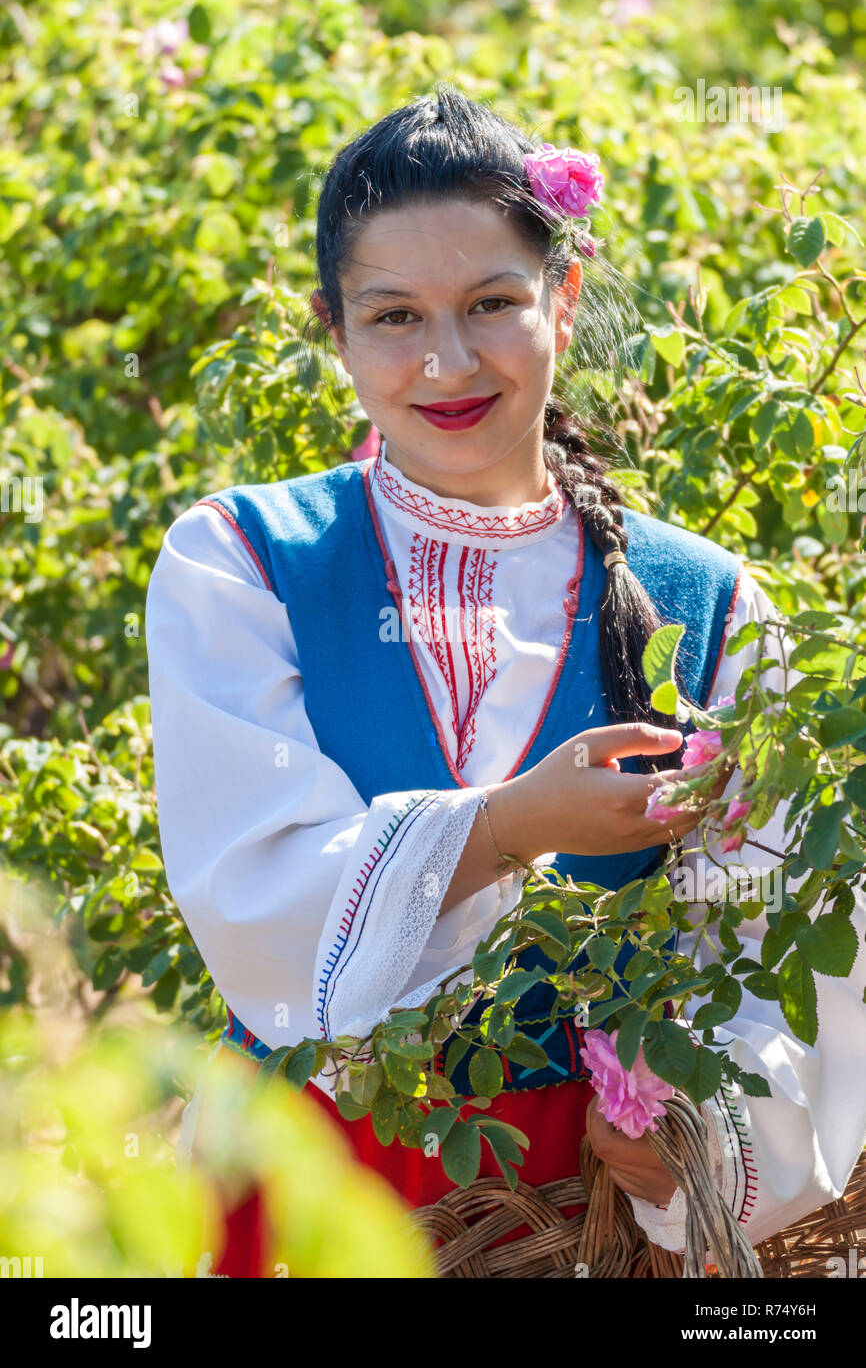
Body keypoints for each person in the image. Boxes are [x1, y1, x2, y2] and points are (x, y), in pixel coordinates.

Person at [145, 84, 866, 1276]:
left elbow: (797, 944)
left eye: (491, 303)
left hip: (585, 1205)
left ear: (562, 301)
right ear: (334, 329)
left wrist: (676, 1137)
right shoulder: (242, 562)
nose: (445, 359)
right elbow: (251, 895)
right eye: (392, 316)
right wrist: (510, 824)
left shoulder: (707, 603)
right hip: (306, 1182)